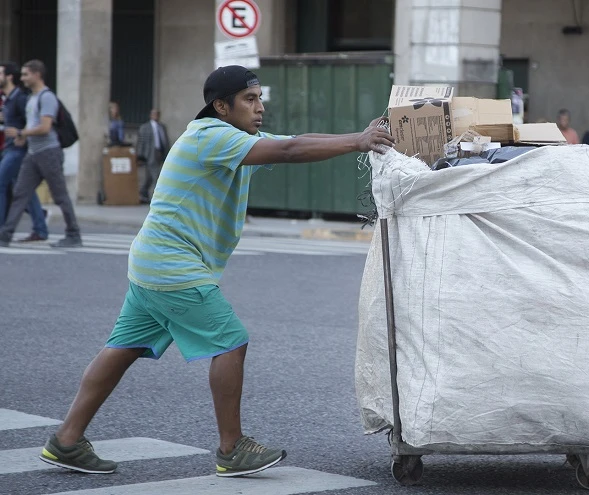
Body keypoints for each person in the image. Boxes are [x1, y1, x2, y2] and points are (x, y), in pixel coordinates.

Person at [35, 65, 394, 477]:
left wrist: (359, 137)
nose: (259, 108)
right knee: (230, 342)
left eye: (260, 100)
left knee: (123, 348)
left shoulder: (237, 137)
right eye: (249, 100)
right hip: (173, 266)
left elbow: (296, 142)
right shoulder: (210, 137)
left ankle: (65, 440)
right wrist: (359, 141)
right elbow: (290, 151)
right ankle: (231, 449)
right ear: (221, 106)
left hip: (153, 262)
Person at [0, 59, 80, 248]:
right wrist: (23, 138)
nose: (23, 78)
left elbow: (45, 127)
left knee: (59, 195)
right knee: (21, 193)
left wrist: (22, 133)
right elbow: (31, 124)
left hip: (49, 153)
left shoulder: (46, 97)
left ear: (37, 75)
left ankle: (73, 234)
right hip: (33, 153)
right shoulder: (32, 98)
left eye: (26, 74)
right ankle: (6, 234)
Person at [0, 61, 48, 242]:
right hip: (11, 149)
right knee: (24, 190)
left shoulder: (20, 98)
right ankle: (40, 227)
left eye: (0, 73)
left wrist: (22, 134)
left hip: (18, 150)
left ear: (8, 77)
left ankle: (3, 228)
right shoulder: (9, 99)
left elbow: (32, 121)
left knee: (2, 185)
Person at [136, 108, 169, 203]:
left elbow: (165, 141)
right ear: (150, 115)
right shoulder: (145, 127)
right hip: (150, 154)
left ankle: (143, 192)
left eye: (157, 114)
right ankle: (156, 198)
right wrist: (140, 156)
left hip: (160, 153)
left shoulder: (162, 127)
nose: (156, 116)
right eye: (154, 114)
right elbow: (141, 142)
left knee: (149, 178)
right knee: (156, 176)